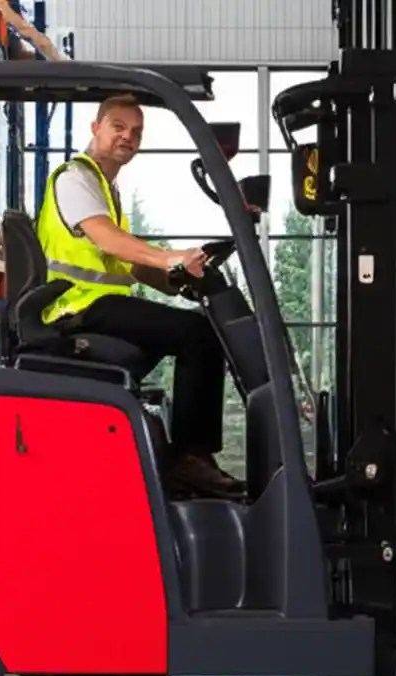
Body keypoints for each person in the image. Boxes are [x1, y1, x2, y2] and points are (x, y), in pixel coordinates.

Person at [36, 94, 242, 499]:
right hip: (75, 307)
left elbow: (127, 264)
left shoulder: (104, 188)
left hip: (96, 305)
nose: (127, 137)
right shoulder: (75, 177)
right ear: (96, 128)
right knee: (195, 334)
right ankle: (190, 460)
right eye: (118, 127)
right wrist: (168, 257)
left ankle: (187, 458)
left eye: (136, 132)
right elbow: (108, 240)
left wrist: (176, 278)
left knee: (195, 329)